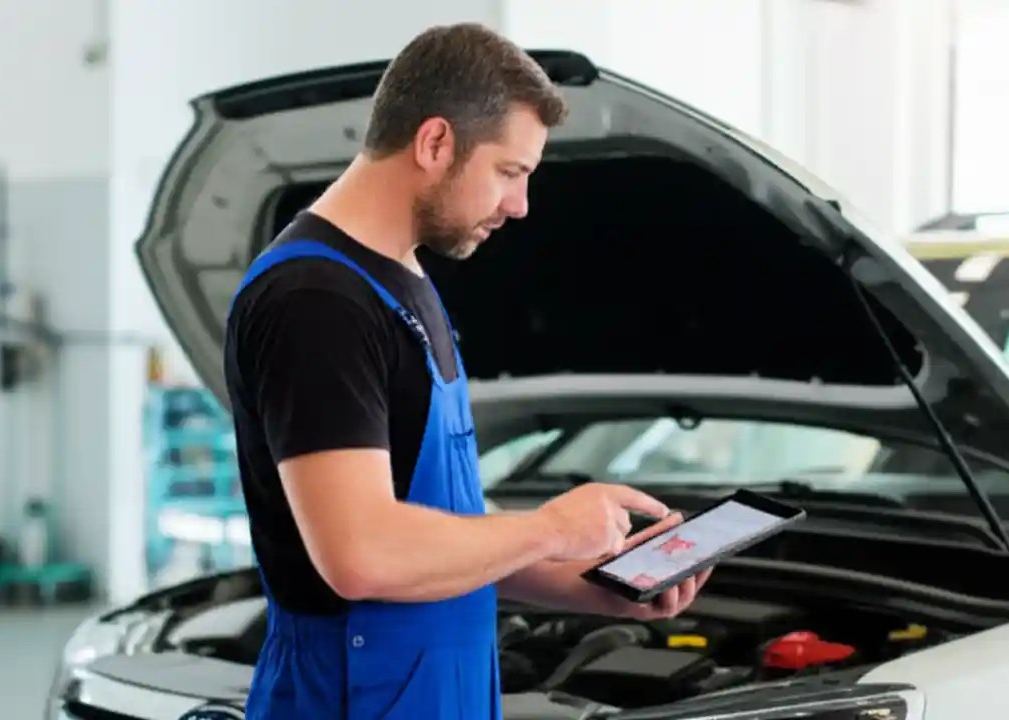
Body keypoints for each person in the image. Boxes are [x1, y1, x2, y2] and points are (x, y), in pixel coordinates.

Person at [224, 22, 711, 720]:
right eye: (510, 173)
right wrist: (552, 527)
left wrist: (592, 584)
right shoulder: (316, 301)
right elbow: (360, 554)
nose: (520, 206)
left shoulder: (401, 281)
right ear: (434, 143)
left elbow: (441, 531)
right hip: (350, 699)